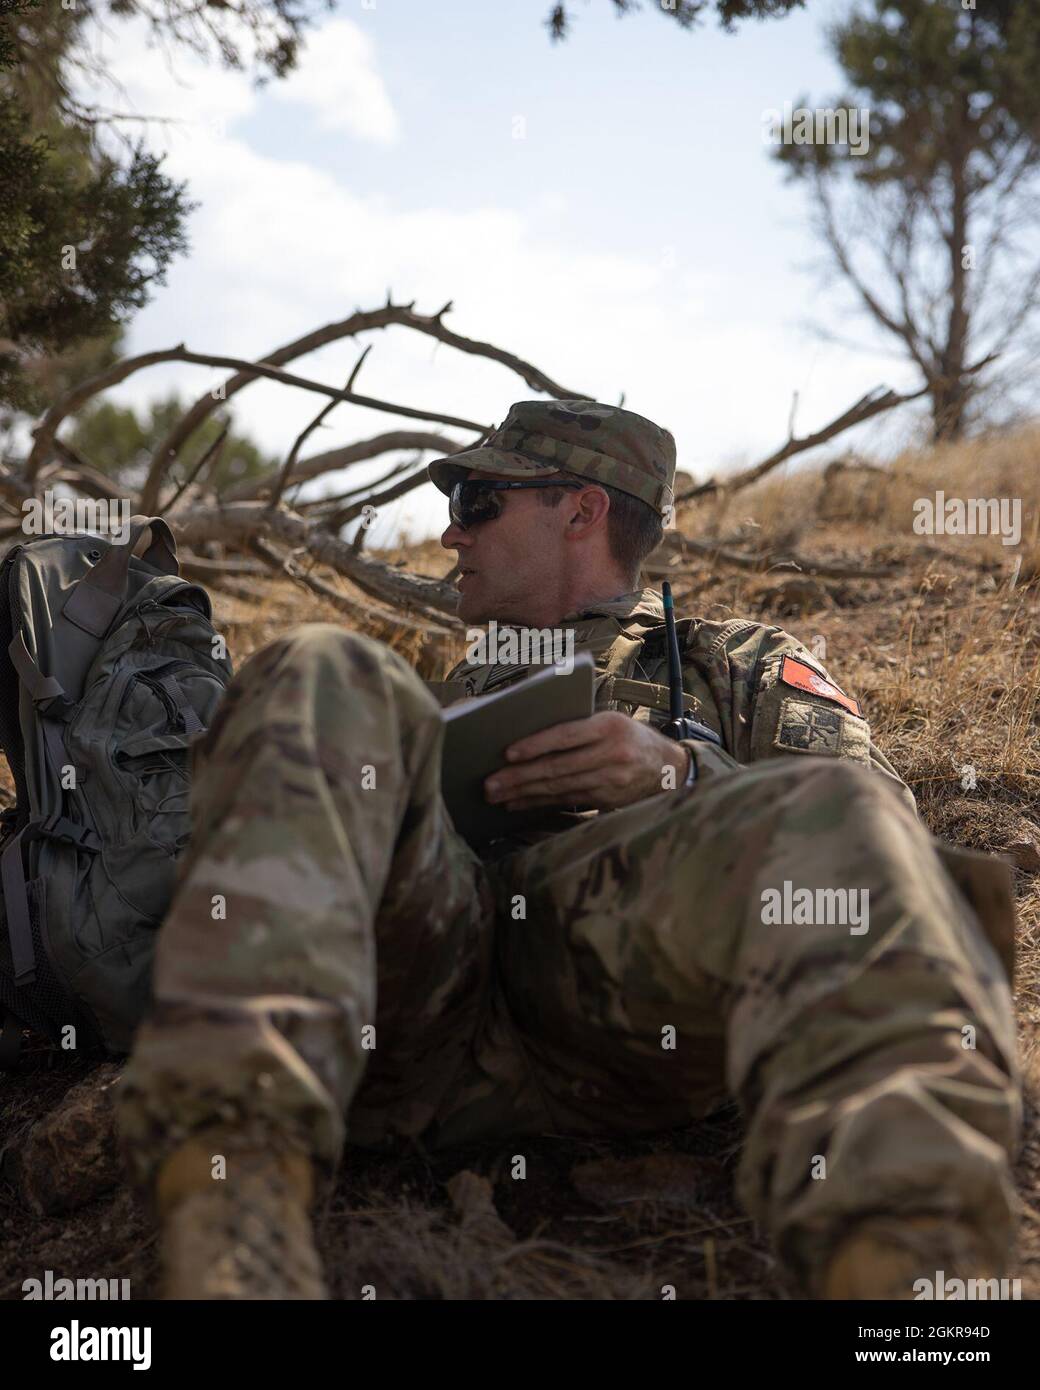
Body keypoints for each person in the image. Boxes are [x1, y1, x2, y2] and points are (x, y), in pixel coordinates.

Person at [116, 399, 1020, 1300]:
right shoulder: (407, 696)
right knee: (317, 663)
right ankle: (231, 1229)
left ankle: (915, 1276)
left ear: (581, 512)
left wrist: (678, 773)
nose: (447, 535)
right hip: (421, 992)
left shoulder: (736, 659)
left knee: (836, 808)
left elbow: (882, 833)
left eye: (477, 502)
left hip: (631, 1006)